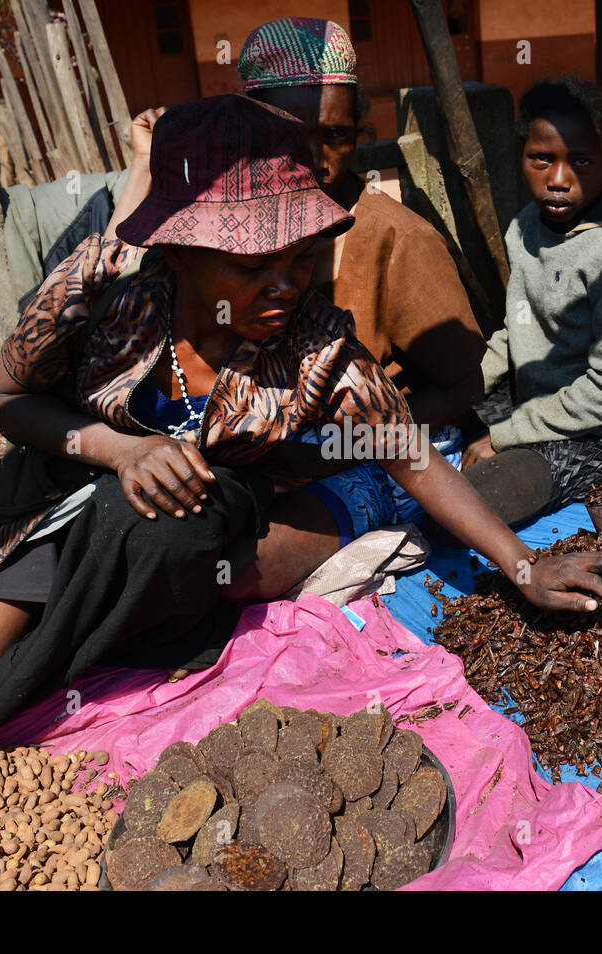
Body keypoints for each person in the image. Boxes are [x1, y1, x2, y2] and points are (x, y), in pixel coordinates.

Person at [0, 95, 602, 745]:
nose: (284, 285)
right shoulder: (107, 297)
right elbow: (4, 399)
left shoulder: (314, 341)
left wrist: (524, 568)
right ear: (177, 253)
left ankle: (62, 595)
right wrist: (118, 447)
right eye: (253, 266)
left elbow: (411, 453)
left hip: (191, 529)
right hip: (59, 504)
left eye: (301, 258)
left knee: (170, 543)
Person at [105, 17, 486, 603]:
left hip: (375, 453)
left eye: (335, 135)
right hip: (254, 457)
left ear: (360, 133)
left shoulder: (396, 239)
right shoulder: (209, 240)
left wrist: (335, 449)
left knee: (229, 575)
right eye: (289, 133)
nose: (315, 156)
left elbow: (463, 385)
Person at [459, 76, 602, 525]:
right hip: (534, 405)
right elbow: (517, 329)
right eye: (542, 158)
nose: (558, 180)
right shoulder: (524, 227)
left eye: (580, 161)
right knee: (419, 430)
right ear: (523, 156)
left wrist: (503, 437)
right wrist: (464, 384)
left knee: (472, 506)